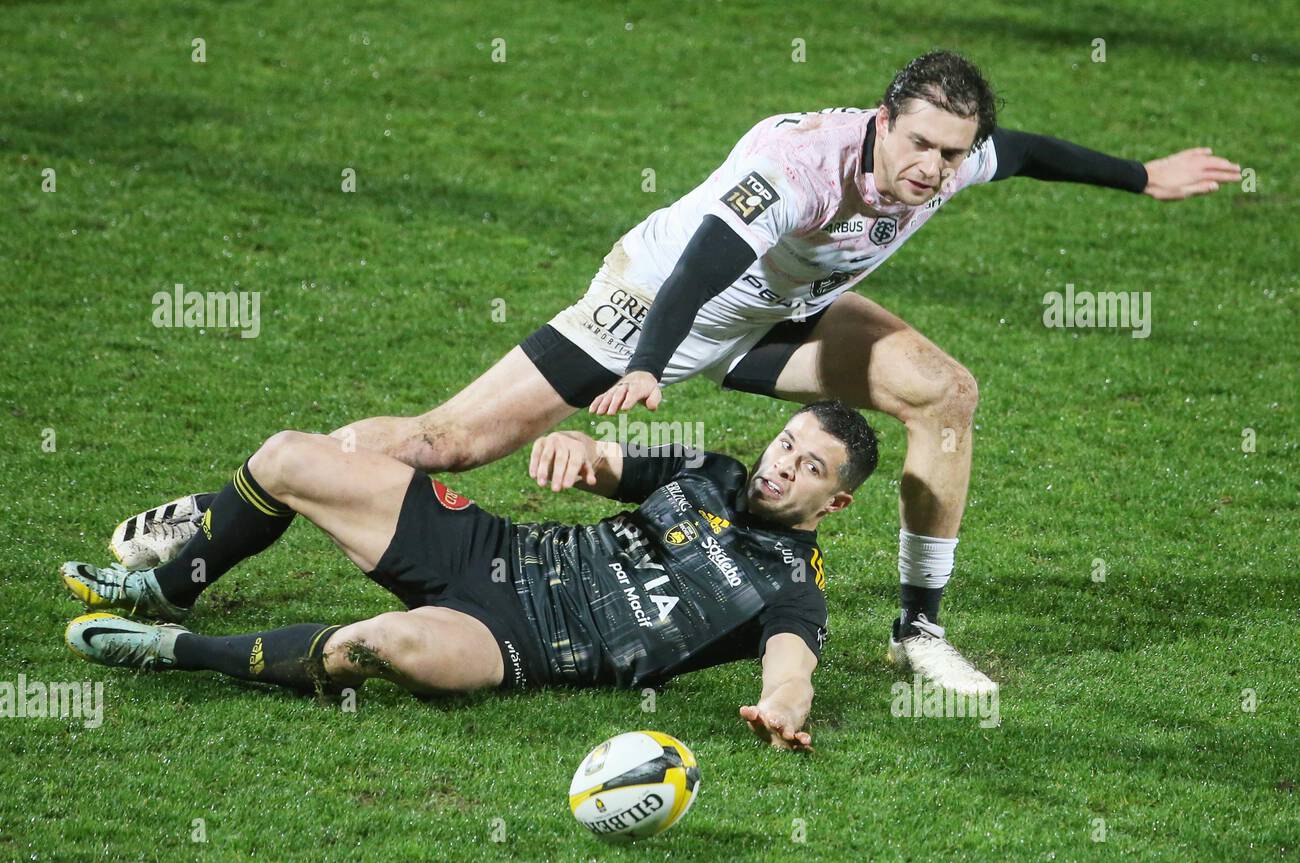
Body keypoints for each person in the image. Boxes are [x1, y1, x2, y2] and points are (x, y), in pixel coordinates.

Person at [106, 50, 1240, 690]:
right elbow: (703, 260)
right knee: (446, 444)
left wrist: (1143, 177)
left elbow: (1028, 153)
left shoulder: (947, 159)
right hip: (655, 301)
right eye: (920, 150)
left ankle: (919, 630)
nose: (935, 174)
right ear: (879, 123)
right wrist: (647, 366)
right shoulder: (796, 168)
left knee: (944, 392)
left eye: (952, 157)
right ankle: (201, 533)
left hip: (771, 314)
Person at [64, 402, 890, 750]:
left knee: (375, 646)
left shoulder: (792, 586)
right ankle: (169, 585)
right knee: (287, 455)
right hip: (494, 550)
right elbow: (602, 462)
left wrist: (782, 708)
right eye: (786, 444)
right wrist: (573, 450)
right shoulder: (711, 469)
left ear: (838, 500)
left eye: (808, 466)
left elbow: (791, 667)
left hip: (516, 642)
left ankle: (171, 648)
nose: (781, 467)